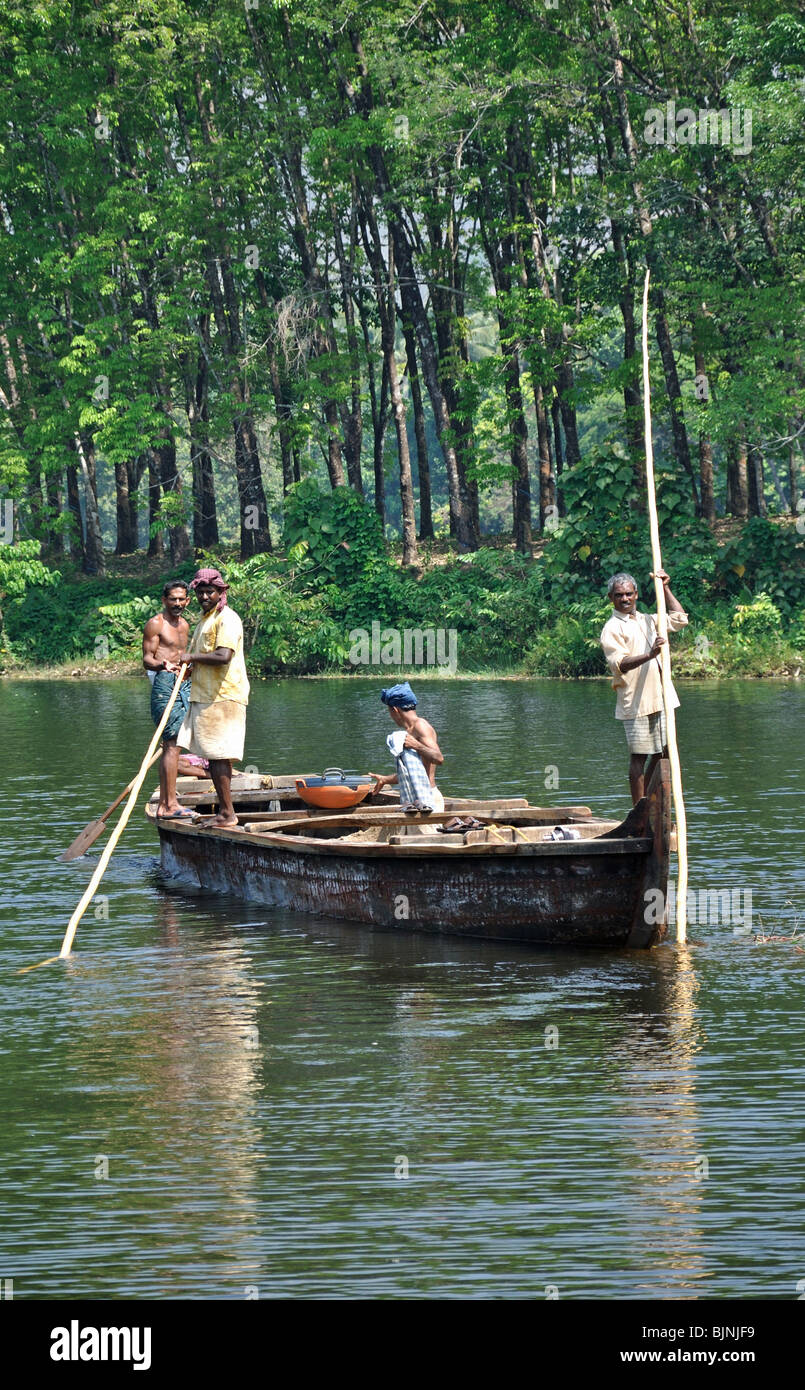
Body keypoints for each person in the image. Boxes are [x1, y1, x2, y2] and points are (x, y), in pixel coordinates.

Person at [600, 569, 689, 804]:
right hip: (636, 700)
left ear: (636, 594)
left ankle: (651, 802)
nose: (625, 599)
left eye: (629, 594)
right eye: (619, 595)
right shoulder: (612, 628)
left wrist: (665, 588)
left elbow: (680, 619)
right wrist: (650, 654)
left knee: (665, 752)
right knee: (639, 756)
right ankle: (639, 810)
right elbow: (620, 664)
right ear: (611, 598)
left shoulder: (649, 619)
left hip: (662, 697)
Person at [175, 567, 249, 828]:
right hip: (205, 694)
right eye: (201, 592)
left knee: (219, 756)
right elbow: (205, 657)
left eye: (210, 591)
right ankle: (225, 812)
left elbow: (223, 656)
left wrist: (191, 658)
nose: (205, 596)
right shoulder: (206, 620)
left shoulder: (226, 618)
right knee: (213, 756)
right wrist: (189, 669)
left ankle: (227, 814)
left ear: (221, 593)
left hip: (223, 695)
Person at [142, 580, 196, 820]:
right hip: (164, 685)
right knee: (171, 743)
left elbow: (184, 656)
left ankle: (168, 801)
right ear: (164, 600)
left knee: (175, 744)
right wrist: (163, 665)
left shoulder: (185, 624)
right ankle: (168, 805)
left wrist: (190, 667)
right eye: (172, 599)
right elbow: (147, 659)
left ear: (187, 600)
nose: (177, 604)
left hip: (183, 683)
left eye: (181, 599)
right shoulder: (156, 624)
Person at [370, 682, 445, 813]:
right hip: (415, 800)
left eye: (389, 712)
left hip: (428, 799)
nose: (391, 717)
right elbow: (415, 773)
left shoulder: (420, 725)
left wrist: (416, 745)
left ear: (395, 710)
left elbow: (439, 758)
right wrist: (385, 779)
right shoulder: (409, 731)